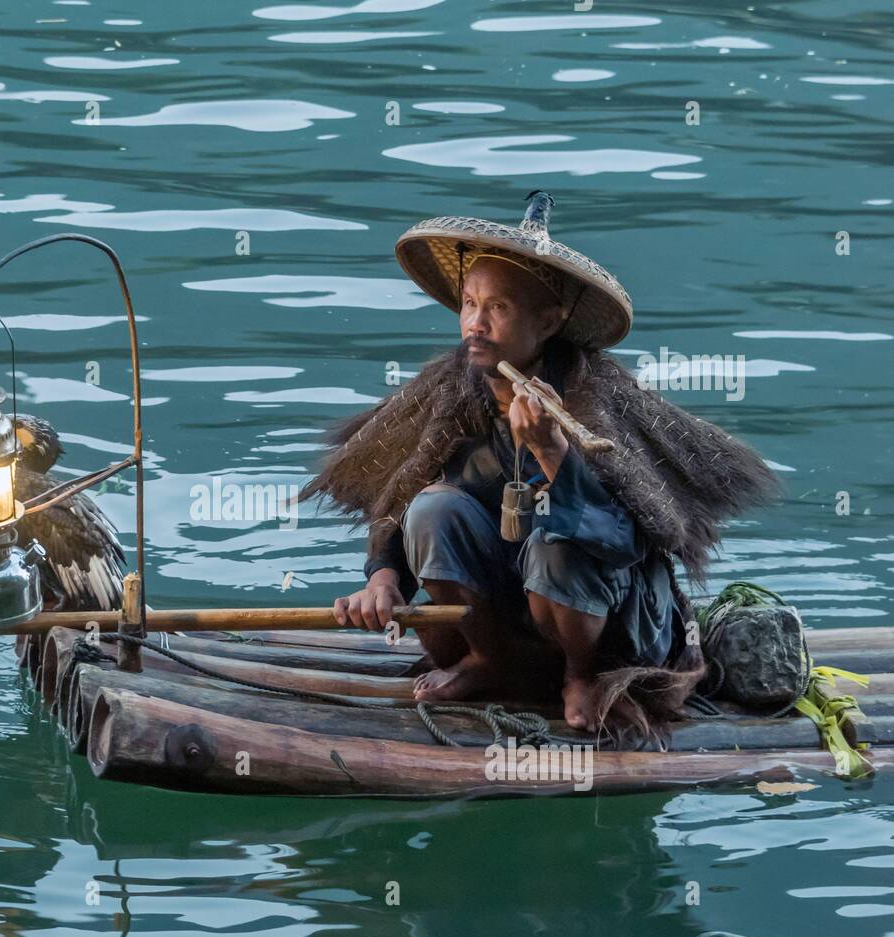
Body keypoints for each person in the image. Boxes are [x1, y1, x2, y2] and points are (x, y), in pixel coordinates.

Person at [302, 192, 779, 738]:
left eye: (498, 309)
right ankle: (487, 660)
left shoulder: (599, 401)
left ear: (548, 321)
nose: (475, 324)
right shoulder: (447, 391)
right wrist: (382, 578)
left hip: (608, 624)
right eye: (469, 303)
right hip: (505, 615)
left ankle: (580, 678)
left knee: (556, 544)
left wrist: (554, 455)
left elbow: (627, 541)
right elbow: (398, 493)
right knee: (431, 509)